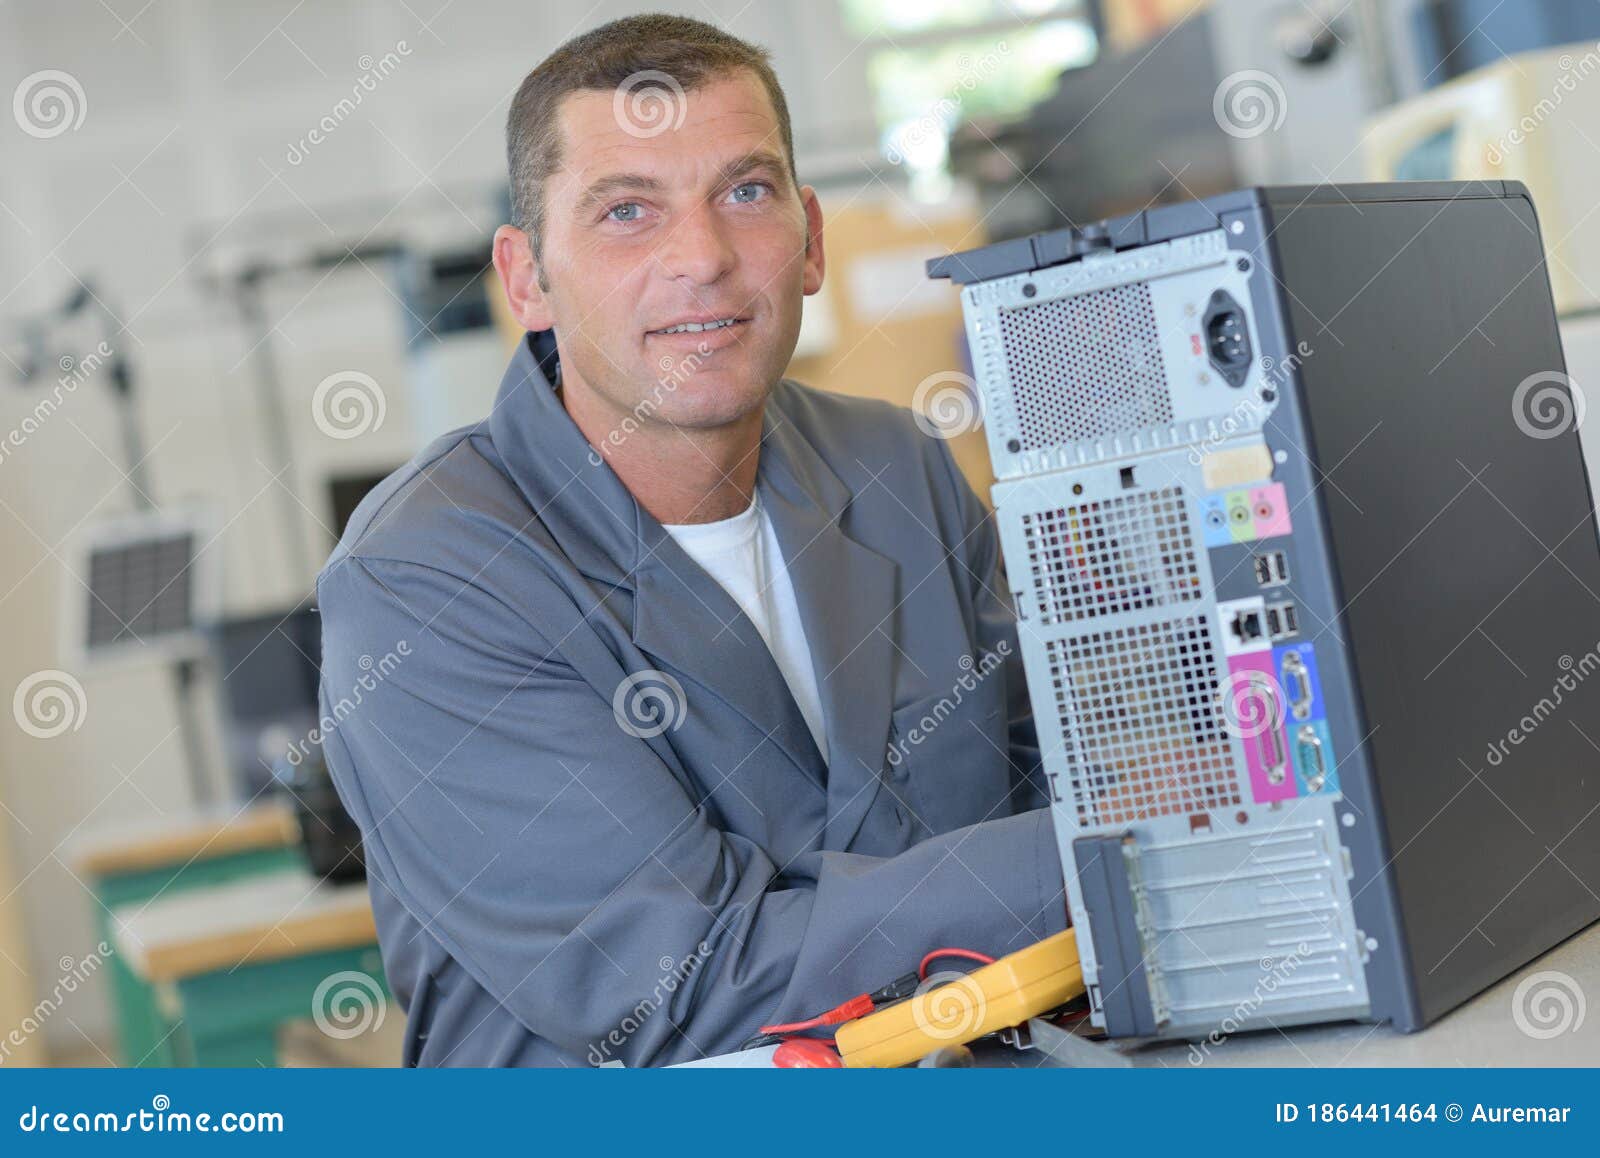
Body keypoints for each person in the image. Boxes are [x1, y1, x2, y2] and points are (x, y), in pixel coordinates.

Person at [317, 12, 1065, 1067]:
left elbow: (1059, 766)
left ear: (809, 238)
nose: (703, 258)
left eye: (745, 194)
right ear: (526, 278)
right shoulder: (426, 580)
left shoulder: (893, 466)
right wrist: (1094, 864)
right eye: (627, 212)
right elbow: (683, 987)